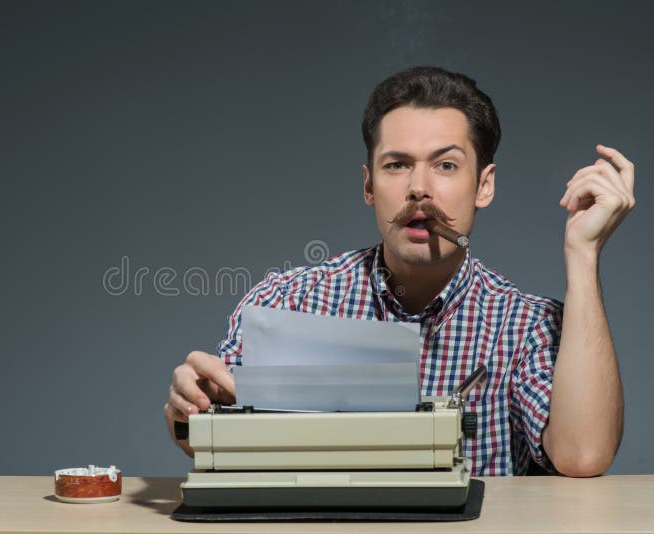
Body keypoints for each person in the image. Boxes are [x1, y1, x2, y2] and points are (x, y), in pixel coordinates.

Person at [164, 66, 634, 476]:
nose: (419, 189)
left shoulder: (527, 326)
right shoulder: (288, 300)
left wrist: (584, 252)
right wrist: (190, 412)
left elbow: (583, 456)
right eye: (396, 165)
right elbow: (209, 436)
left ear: (483, 186)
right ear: (369, 185)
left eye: (446, 165)